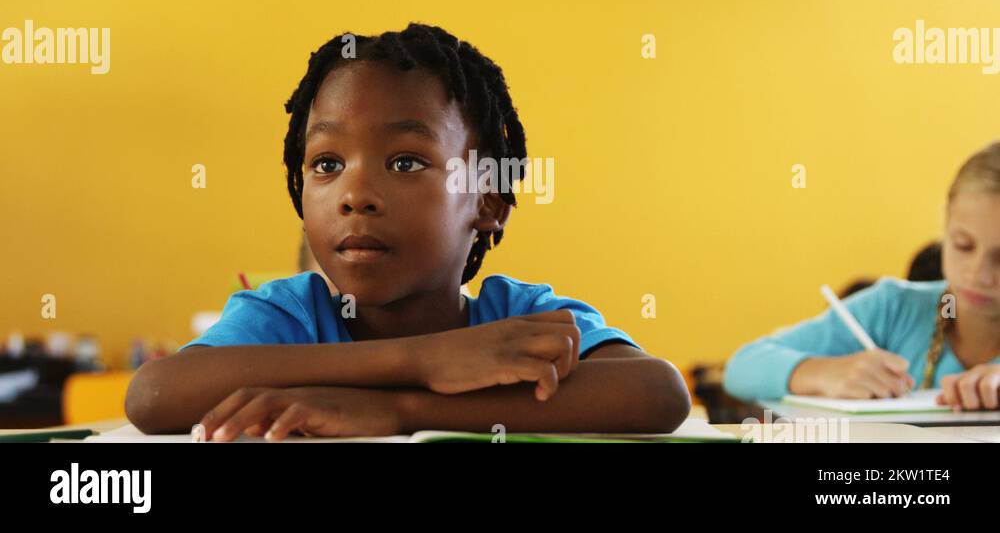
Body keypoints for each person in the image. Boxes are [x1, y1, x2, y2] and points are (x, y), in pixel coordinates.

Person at [126, 23, 690, 439]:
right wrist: (423, 361)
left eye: (405, 162)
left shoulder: (517, 317)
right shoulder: (286, 315)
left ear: (488, 201)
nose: (354, 195)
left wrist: (402, 411)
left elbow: (657, 394)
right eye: (326, 164)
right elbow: (153, 397)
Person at [724, 141, 1000, 410]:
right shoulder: (893, 308)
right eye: (963, 245)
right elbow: (743, 365)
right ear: (945, 230)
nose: (978, 274)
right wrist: (821, 373)